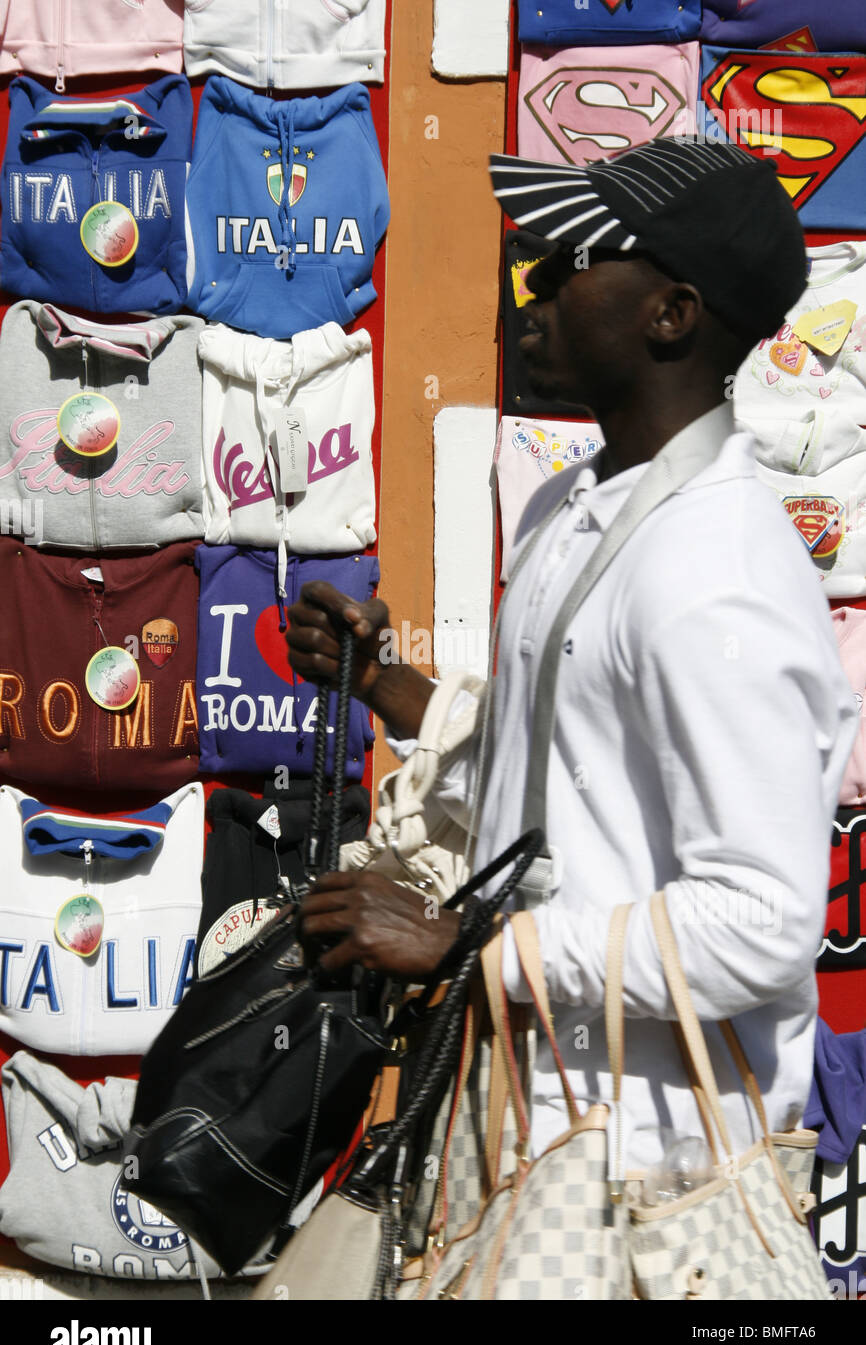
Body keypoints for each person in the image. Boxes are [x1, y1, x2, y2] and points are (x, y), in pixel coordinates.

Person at [287, 137, 857, 1173]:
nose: (528, 288)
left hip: (653, 1179)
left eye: (566, 265)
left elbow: (761, 919)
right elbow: (559, 769)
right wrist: (383, 684)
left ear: (670, 314)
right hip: (525, 1123)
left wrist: (468, 945)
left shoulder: (717, 566)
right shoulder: (570, 505)